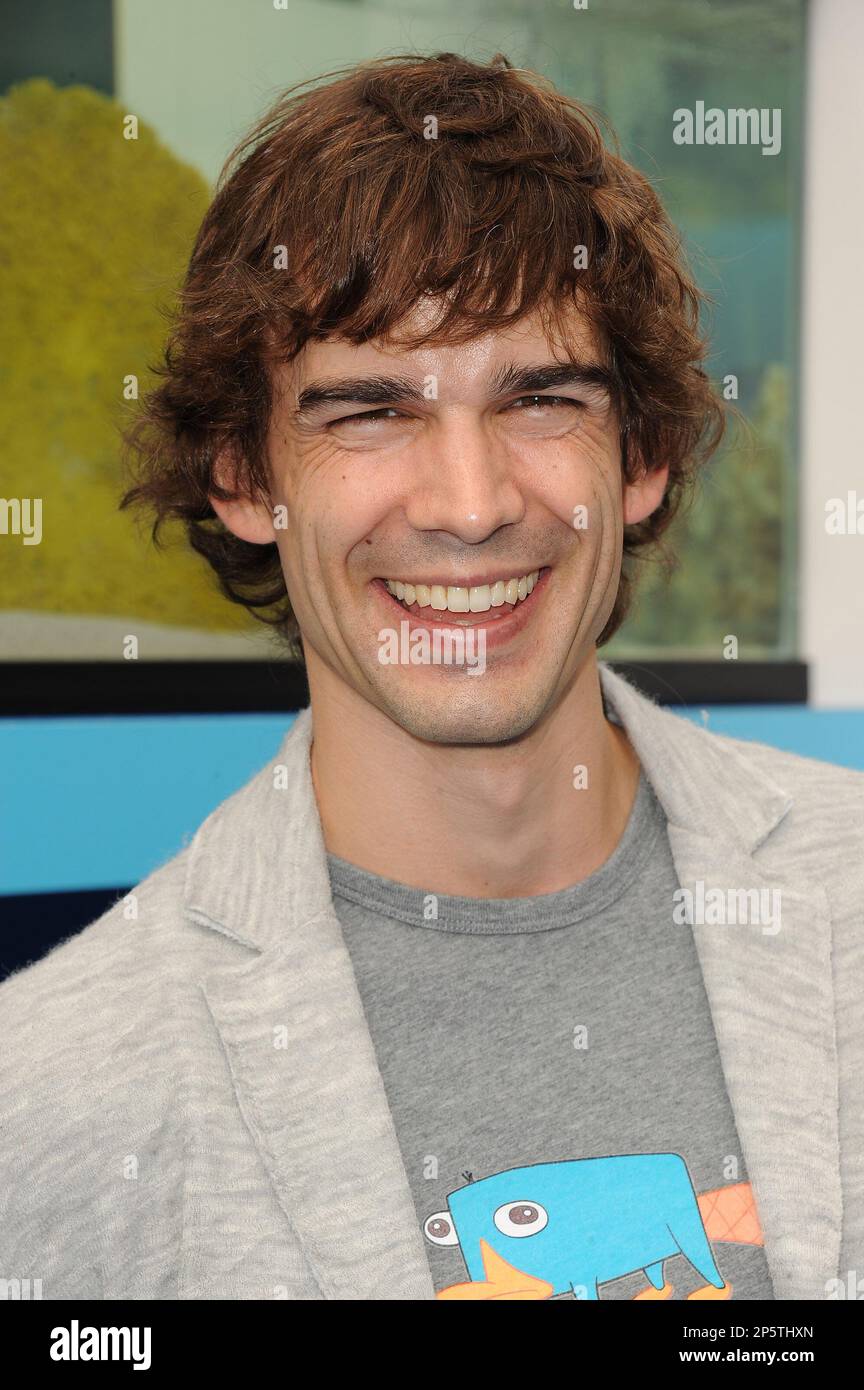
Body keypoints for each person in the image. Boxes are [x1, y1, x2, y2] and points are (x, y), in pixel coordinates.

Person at [1, 52, 860, 1302]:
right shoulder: (53, 1092)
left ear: (645, 457)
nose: (469, 505)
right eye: (370, 412)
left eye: (541, 400)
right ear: (246, 478)